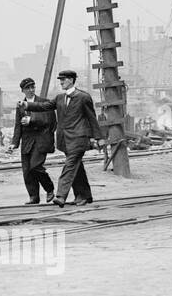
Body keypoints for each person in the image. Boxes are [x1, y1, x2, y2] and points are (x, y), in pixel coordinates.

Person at [22, 69, 104, 207]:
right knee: (77, 168)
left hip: (79, 138)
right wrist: (28, 105)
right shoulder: (60, 98)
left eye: (63, 79)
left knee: (70, 165)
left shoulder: (83, 97)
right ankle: (84, 195)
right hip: (65, 140)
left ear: (71, 80)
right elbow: (45, 106)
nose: (61, 82)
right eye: (60, 79)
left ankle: (61, 195)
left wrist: (98, 137)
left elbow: (92, 118)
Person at [9, 77, 56, 205]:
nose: (31, 90)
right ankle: (34, 197)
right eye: (28, 88)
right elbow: (18, 126)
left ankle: (49, 189)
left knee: (35, 166)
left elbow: (51, 122)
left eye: (33, 87)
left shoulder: (44, 102)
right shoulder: (20, 106)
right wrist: (14, 143)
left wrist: (32, 120)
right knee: (27, 171)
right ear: (23, 90)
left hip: (42, 140)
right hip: (27, 142)